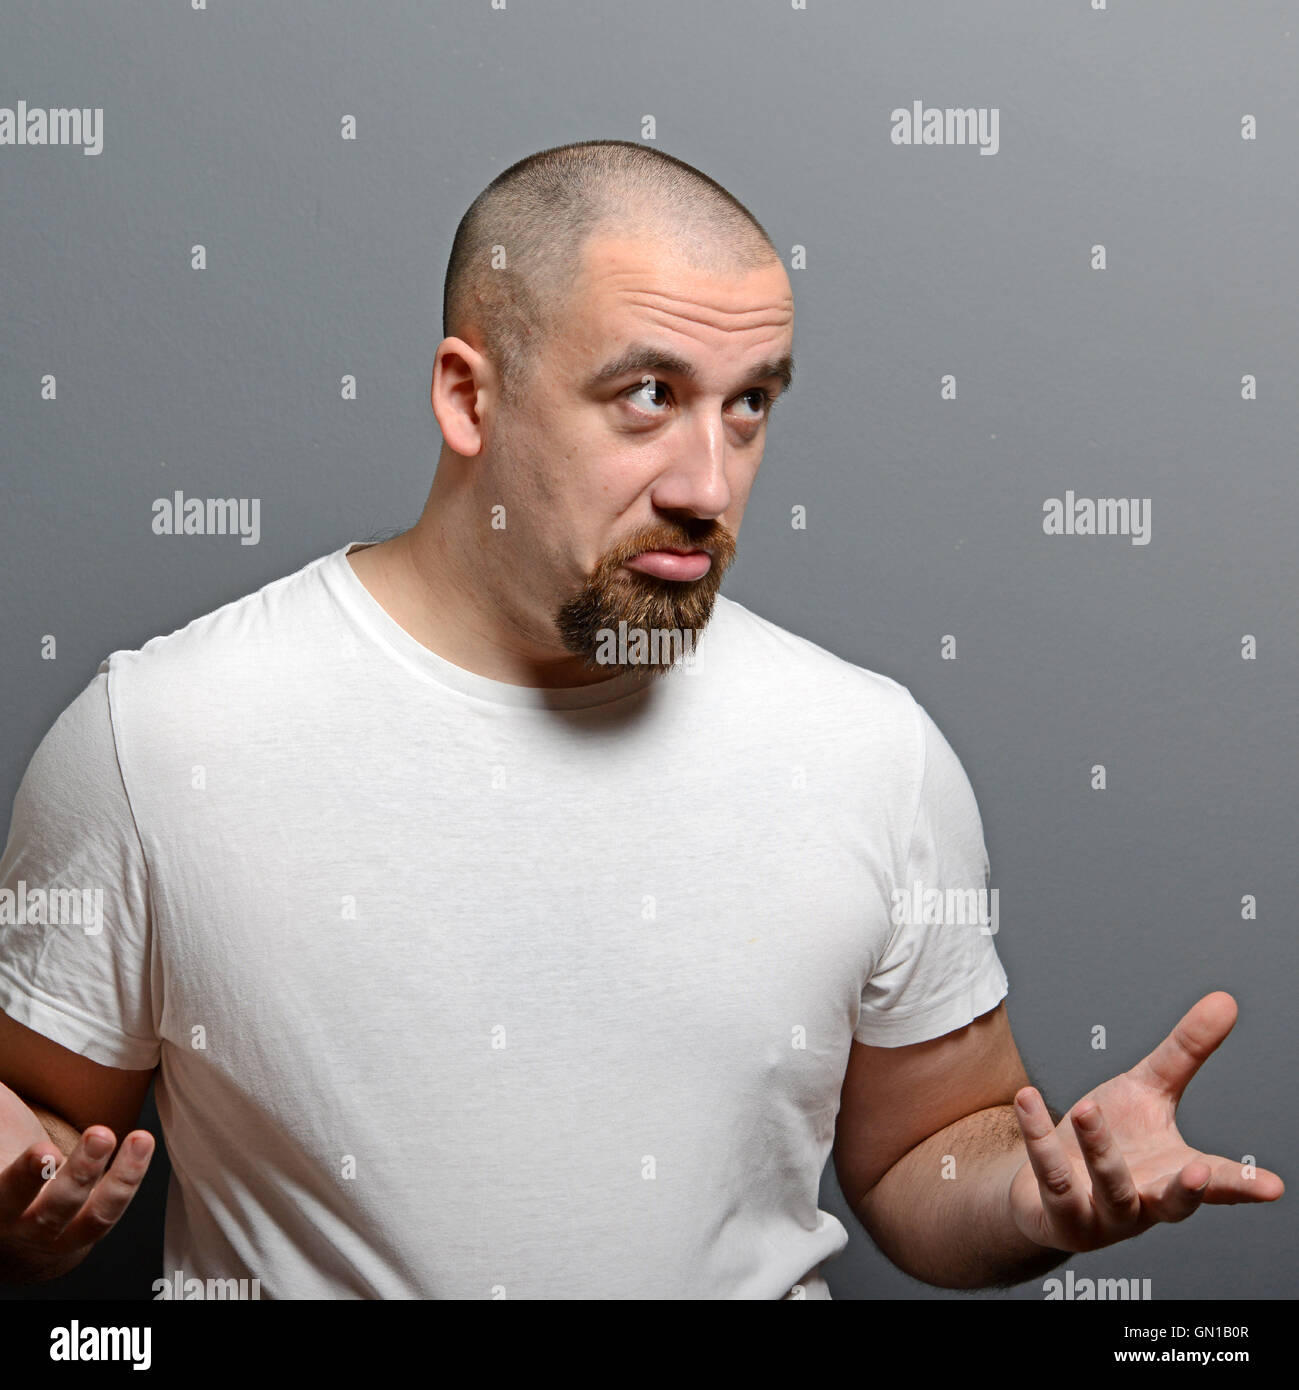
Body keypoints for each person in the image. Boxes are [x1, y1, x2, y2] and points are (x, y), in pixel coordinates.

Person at [0, 140, 1283, 1299]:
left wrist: (1035, 1194)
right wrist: (27, 1196)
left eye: (751, 403)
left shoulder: (870, 750)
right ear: (468, 397)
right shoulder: (160, 738)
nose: (708, 483)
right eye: (648, 396)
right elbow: (51, 1127)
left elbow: (922, 1150)